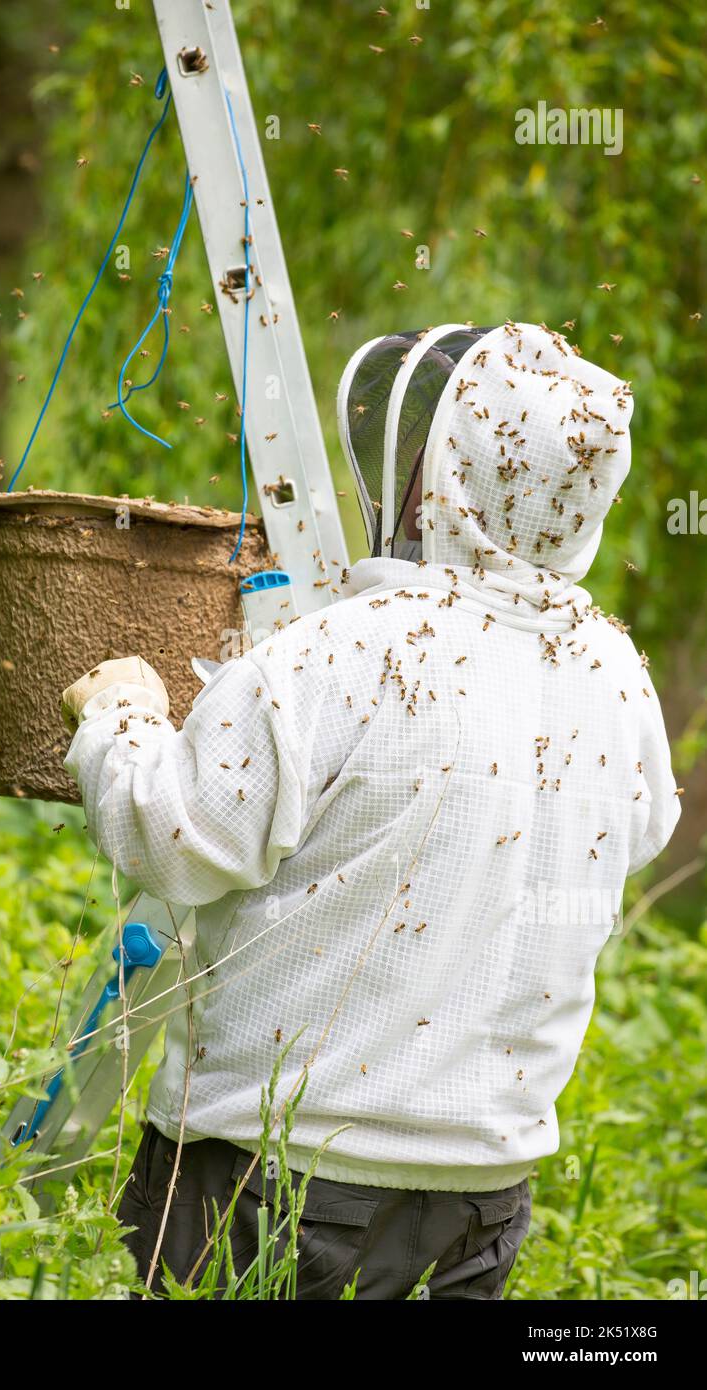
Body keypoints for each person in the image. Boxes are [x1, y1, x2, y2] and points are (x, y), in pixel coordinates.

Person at [62, 321, 680, 1300]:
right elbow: (636, 828)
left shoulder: (339, 651)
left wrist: (119, 718)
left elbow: (176, 838)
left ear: (441, 475)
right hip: (480, 1198)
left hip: (274, 1180)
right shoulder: (612, 675)